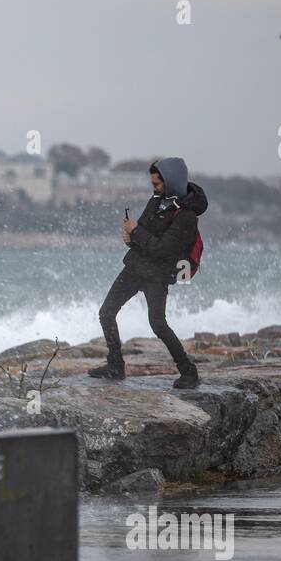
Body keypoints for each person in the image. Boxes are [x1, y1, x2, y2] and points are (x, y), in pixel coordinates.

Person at [89, 157, 207, 389]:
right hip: (135, 268)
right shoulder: (157, 200)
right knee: (106, 313)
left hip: (157, 275)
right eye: (153, 184)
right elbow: (143, 234)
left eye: (157, 184)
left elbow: (163, 250)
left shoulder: (186, 217)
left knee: (158, 324)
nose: (154, 188)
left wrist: (136, 232)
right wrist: (130, 238)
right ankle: (115, 365)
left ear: (171, 181)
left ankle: (189, 371)